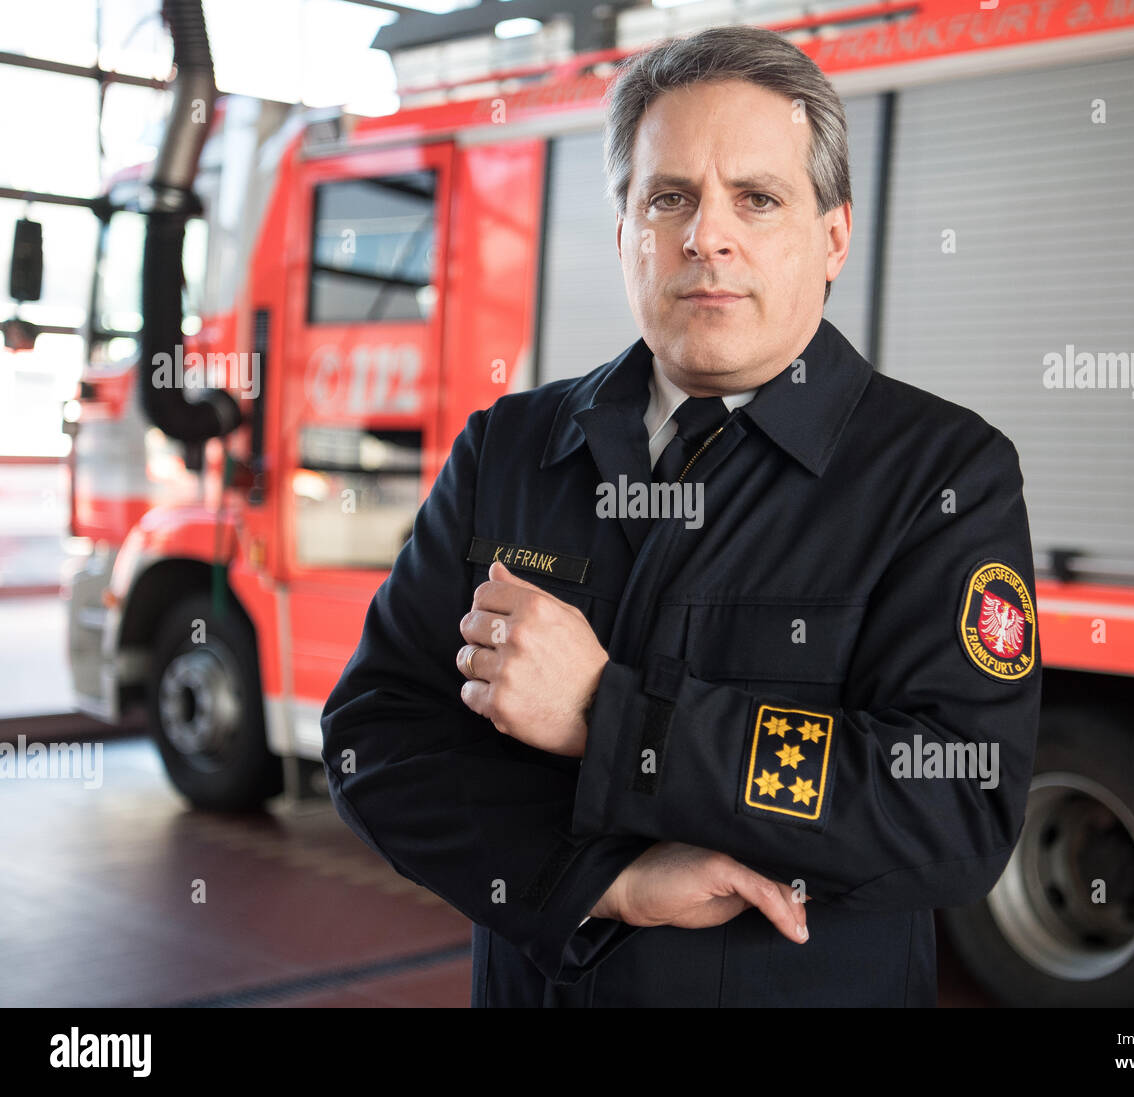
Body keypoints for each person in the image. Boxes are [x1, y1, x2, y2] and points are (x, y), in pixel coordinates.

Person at [320, 23, 1041, 1007]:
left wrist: (608, 716)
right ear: (622, 231)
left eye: (757, 197)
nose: (707, 234)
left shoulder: (939, 473)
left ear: (832, 235)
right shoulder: (511, 448)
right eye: (668, 198)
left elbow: (951, 810)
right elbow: (375, 735)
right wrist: (598, 883)